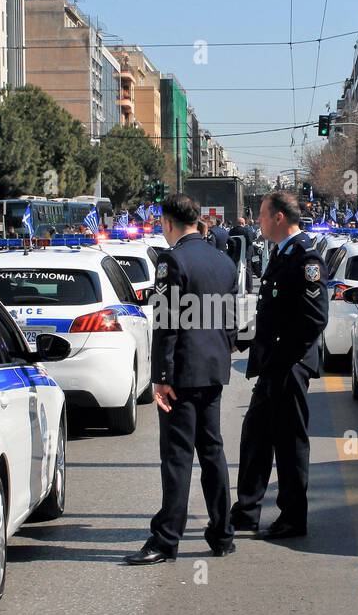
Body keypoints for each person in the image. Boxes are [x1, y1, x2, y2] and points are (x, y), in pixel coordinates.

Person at [125, 194, 239, 565]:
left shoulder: (172, 259)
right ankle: (222, 534)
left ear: (169, 223)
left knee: (176, 457)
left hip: (183, 372)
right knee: (212, 452)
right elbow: (232, 317)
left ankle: (166, 539)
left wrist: (161, 376)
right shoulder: (223, 260)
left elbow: (166, 321)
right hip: (213, 369)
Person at [230, 190, 329, 540]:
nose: (257, 220)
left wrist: (283, 358)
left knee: (289, 443)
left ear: (279, 218)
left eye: (261, 214)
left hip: (289, 365)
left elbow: (314, 319)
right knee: (255, 436)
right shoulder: (282, 253)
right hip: (273, 364)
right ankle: (246, 510)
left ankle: (292, 516)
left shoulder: (305, 259)